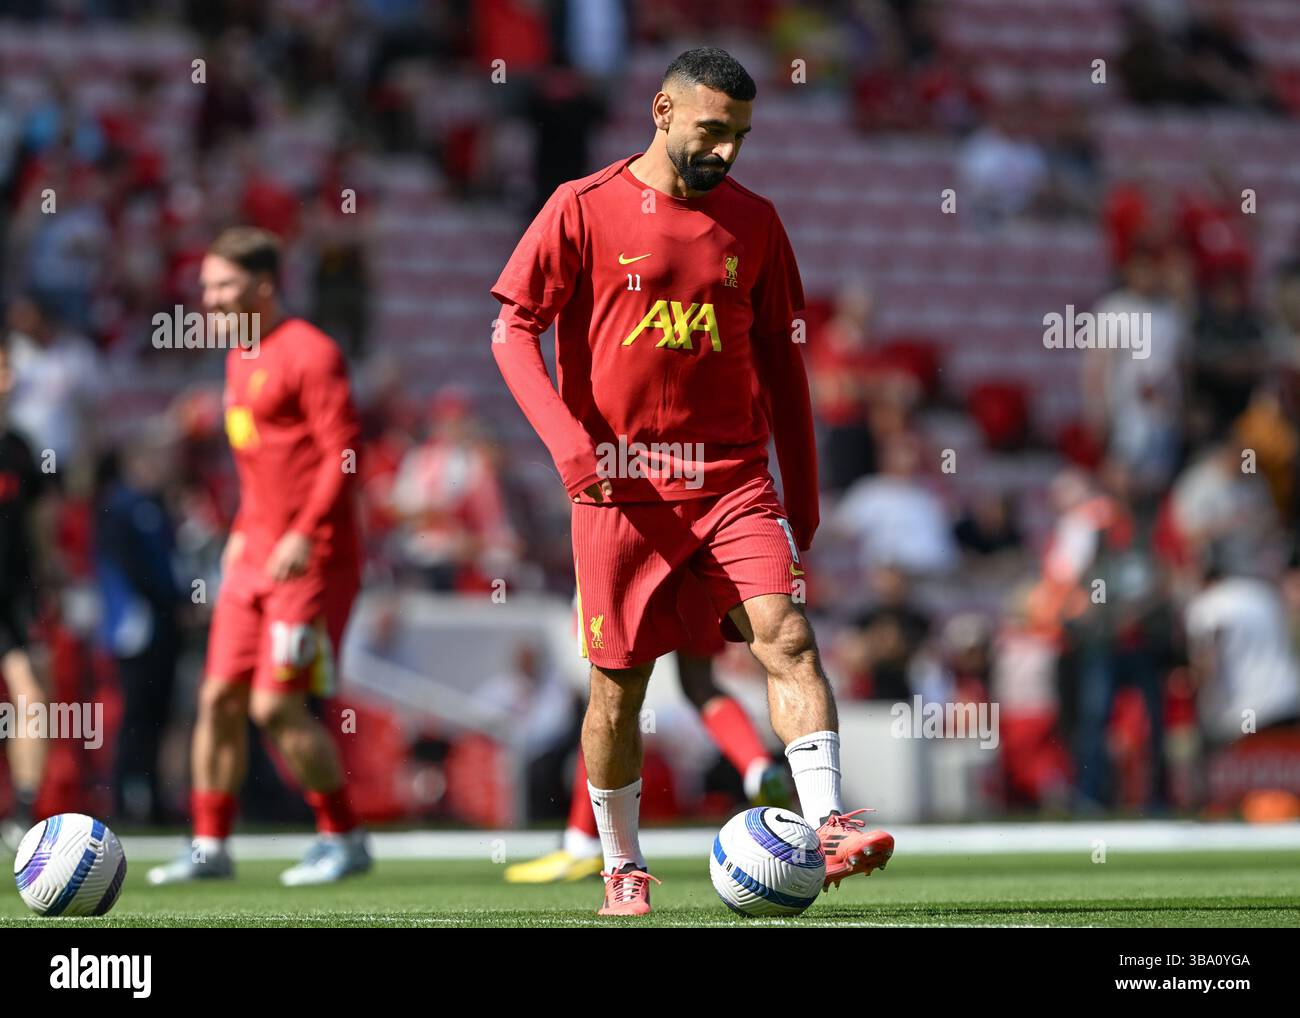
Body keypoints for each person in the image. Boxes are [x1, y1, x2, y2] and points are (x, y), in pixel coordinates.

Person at [489, 47, 893, 916]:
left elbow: (786, 370)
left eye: (743, 135)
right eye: (714, 131)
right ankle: (621, 866)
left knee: (786, 639)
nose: (729, 153)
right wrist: (568, 446)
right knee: (619, 690)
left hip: (732, 481)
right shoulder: (581, 208)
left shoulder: (757, 223)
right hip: (619, 490)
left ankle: (826, 826)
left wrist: (805, 492)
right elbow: (511, 331)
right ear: (662, 111)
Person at [147, 227, 370, 887]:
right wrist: (245, 528)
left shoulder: (312, 353)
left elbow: (342, 455)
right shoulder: (239, 355)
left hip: (311, 559)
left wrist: (302, 531)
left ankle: (344, 837)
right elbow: (259, 463)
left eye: (222, 285)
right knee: (216, 698)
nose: (209, 298)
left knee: (275, 707)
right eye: (207, 286)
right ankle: (210, 847)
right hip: (254, 557)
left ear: (264, 285)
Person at [504, 577, 793, 884]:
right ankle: (756, 765)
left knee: (609, 700)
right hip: (691, 560)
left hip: (628, 559)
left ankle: (582, 842)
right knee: (700, 683)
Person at [0, 337, 52, 854]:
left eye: (10, 368)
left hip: (12, 598)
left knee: (32, 697)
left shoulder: (19, 447)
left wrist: (51, 582)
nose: (8, 379)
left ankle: (22, 812)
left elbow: (38, 526)